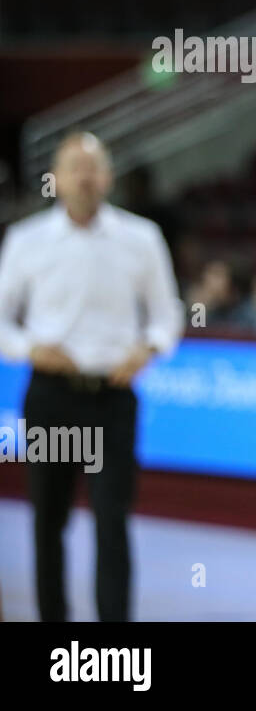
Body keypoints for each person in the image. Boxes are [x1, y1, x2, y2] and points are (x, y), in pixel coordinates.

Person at [0, 132, 183, 622]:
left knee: (112, 521)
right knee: (48, 522)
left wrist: (148, 348)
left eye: (93, 166)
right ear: (55, 179)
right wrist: (30, 348)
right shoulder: (26, 240)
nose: (84, 175)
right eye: (73, 166)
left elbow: (168, 314)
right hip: (51, 397)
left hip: (112, 398)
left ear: (108, 176)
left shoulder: (141, 238)